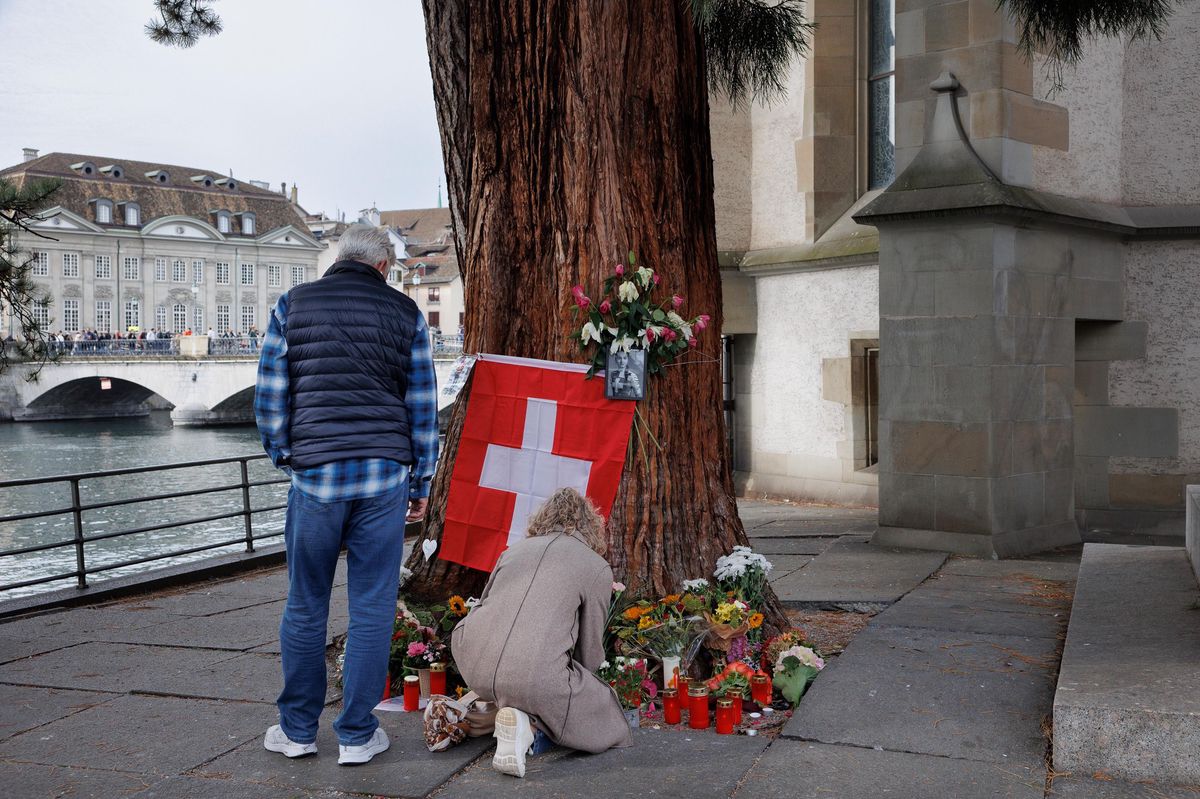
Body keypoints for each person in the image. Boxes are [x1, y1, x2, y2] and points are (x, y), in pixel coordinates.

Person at [255, 224, 438, 766]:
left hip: (315, 480)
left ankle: (297, 731)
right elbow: (422, 410)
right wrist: (420, 482)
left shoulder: (294, 304)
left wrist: (288, 456)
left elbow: (270, 397)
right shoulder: (405, 314)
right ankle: (358, 735)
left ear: (339, 258)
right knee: (372, 606)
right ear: (383, 267)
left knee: (306, 603)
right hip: (383, 479)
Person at [451, 487, 632, 778]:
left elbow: (484, 604)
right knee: (602, 715)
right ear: (592, 524)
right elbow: (589, 649)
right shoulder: (595, 566)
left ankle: (493, 707)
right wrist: (587, 688)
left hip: (474, 665)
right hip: (535, 677)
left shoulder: (513, 551)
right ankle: (529, 729)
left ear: (543, 518)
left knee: (527, 679)